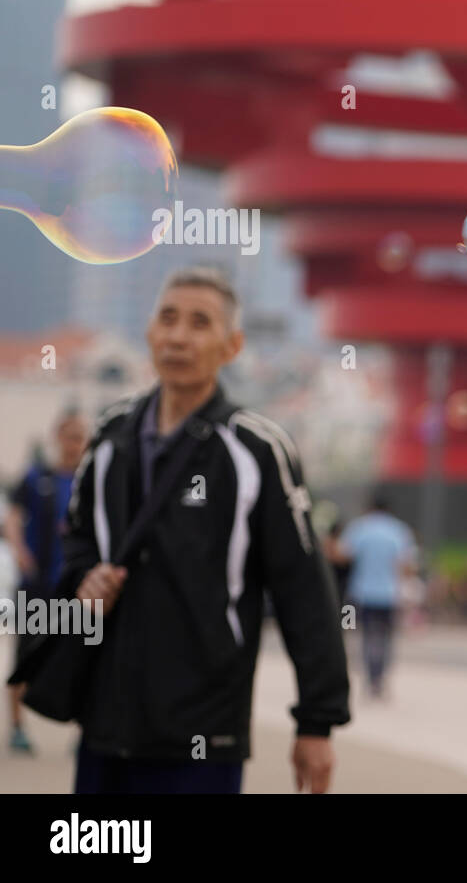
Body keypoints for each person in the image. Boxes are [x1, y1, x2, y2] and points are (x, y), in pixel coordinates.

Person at [16, 266, 350, 793]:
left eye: (200, 323)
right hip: (104, 723)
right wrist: (85, 582)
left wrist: (317, 721)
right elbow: (78, 537)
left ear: (232, 345)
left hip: (202, 734)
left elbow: (304, 591)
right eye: (168, 319)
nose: (178, 335)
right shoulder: (108, 436)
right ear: (149, 333)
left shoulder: (257, 450)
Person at [5, 411, 89, 754]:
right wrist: (19, 548)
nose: (74, 444)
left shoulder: (92, 481)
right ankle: (18, 728)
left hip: (79, 592)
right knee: (25, 660)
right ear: (57, 437)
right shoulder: (36, 478)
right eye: (69, 436)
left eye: (80, 437)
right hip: (37, 587)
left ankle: (84, 729)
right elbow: (13, 516)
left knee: (84, 659)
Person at [340, 493, 417, 699]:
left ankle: (370, 677)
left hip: (363, 592)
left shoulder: (360, 528)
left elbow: (344, 555)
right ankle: (380, 679)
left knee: (367, 637)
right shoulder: (399, 530)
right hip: (390, 595)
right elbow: (406, 564)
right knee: (386, 639)